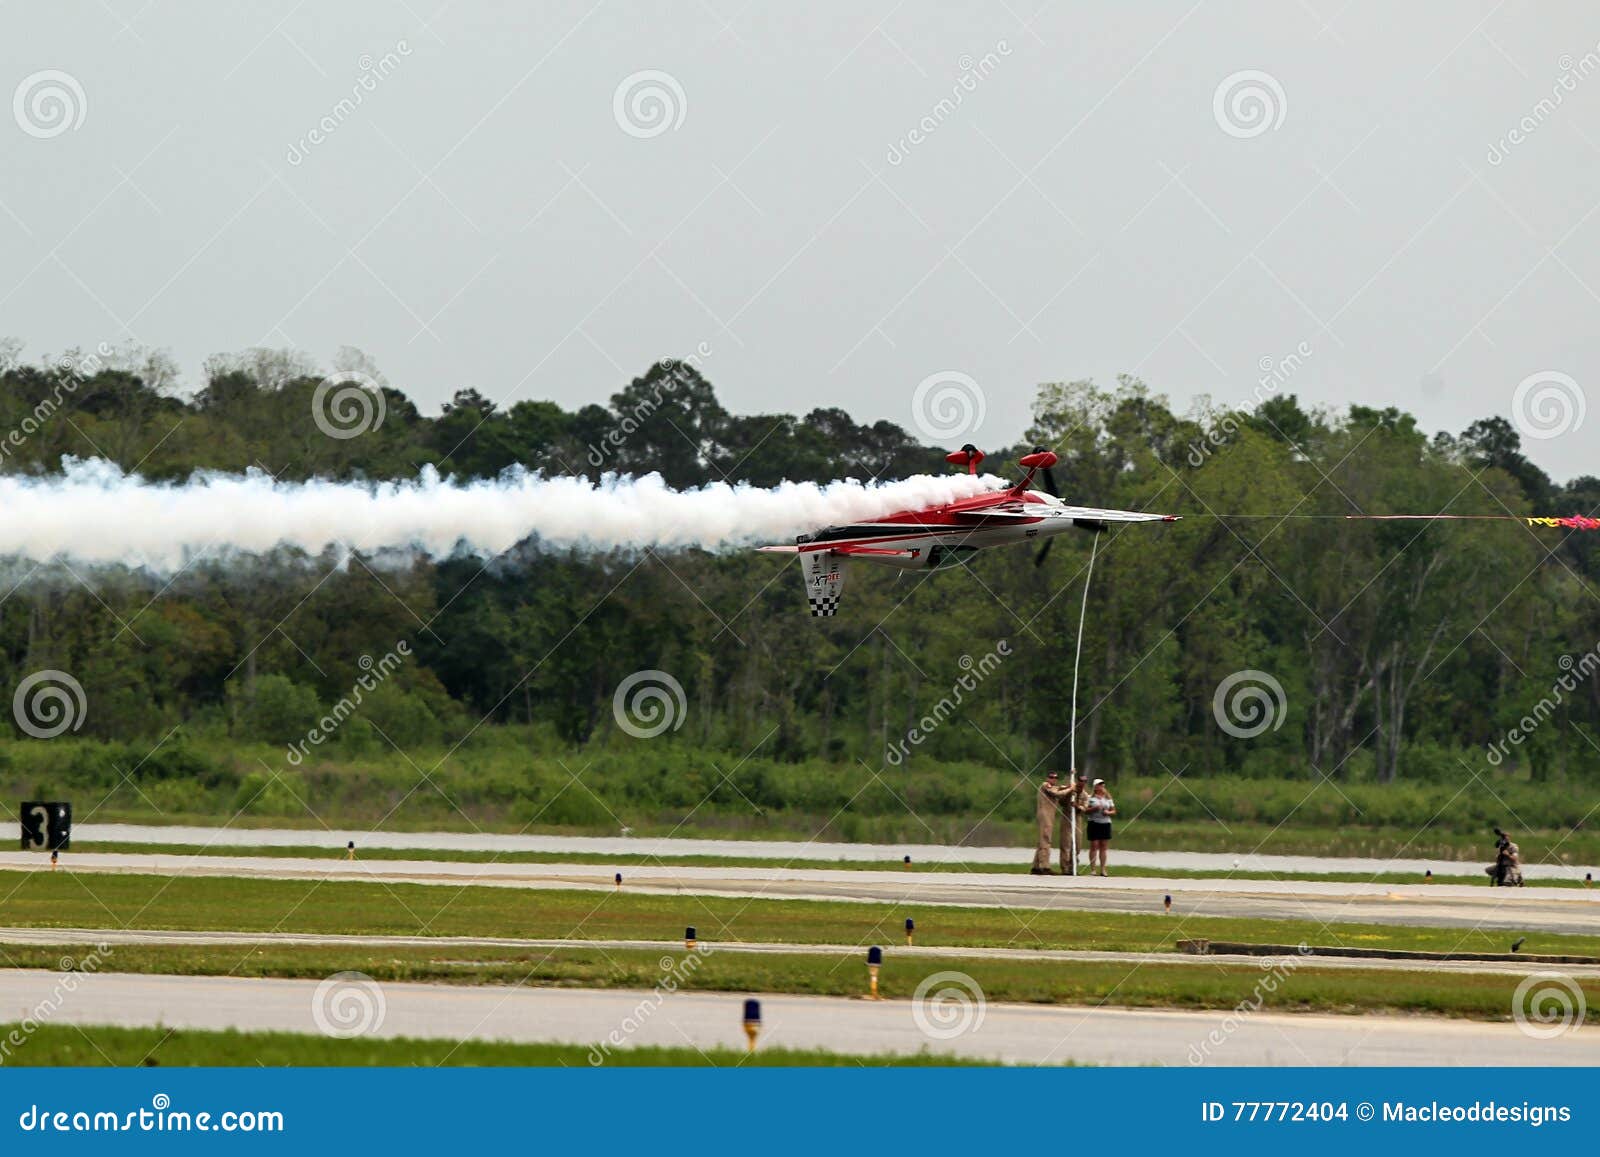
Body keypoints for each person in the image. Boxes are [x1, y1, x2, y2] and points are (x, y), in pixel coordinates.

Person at [1032, 772, 1071, 874]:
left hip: (1050, 816)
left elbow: (1060, 789)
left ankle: (1036, 866)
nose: (1054, 779)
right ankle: (1045, 866)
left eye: (1056, 778)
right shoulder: (1046, 785)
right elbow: (1057, 793)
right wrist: (1070, 789)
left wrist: (1070, 782)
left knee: (1042, 840)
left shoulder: (1054, 787)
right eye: (1051, 777)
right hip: (1045, 816)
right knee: (1046, 839)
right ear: (1047, 778)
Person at [1083, 778, 1116, 876]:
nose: (1101, 786)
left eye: (1102, 784)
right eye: (1099, 784)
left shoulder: (1108, 798)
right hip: (1094, 822)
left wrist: (1108, 812)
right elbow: (1085, 811)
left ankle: (1103, 869)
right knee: (1094, 845)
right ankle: (1093, 869)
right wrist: (1094, 808)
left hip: (1105, 823)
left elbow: (1114, 811)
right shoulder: (1090, 798)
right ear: (1095, 787)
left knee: (1103, 846)